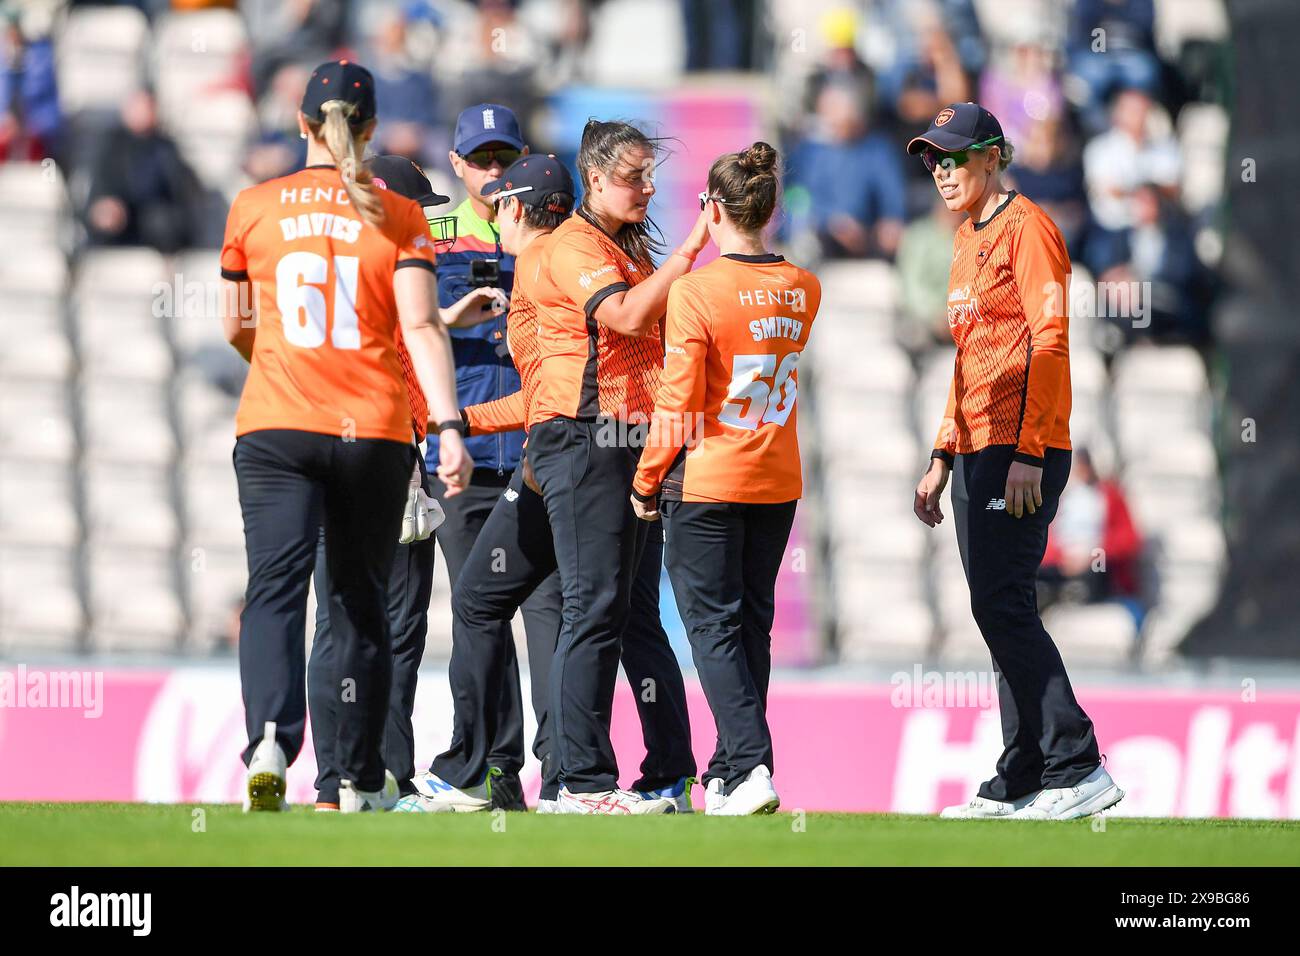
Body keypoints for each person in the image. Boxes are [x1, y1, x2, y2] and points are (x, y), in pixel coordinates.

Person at [399, 155, 695, 815]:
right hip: (567, 449)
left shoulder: (550, 256)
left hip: (586, 450)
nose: (492, 216)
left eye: (499, 203)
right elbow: (541, 396)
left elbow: (584, 370)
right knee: (486, 598)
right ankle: (477, 773)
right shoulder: (561, 257)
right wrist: (459, 420)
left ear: (518, 207)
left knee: (592, 612)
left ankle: (584, 782)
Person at [218, 60, 471, 813]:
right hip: (374, 430)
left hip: (277, 424)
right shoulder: (399, 215)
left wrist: (278, 366)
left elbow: (236, 324)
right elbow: (422, 327)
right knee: (360, 601)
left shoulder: (253, 206)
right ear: (369, 131)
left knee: (274, 590)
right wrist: (450, 427)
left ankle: (269, 736)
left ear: (301, 124)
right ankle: (357, 777)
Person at [907, 102, 1124, 820]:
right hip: (974, 446)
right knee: (998, 608)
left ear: (993, 156)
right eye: (934, 160)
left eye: (955, 157)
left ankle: (1078, 761)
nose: (942, 171)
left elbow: (1050, 342)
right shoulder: (968, 236)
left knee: (999, 603)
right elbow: (968, 358)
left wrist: (1030, 451)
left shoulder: (1029, 228)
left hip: (1019, 447)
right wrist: (942, 450)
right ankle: (1023, 772)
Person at [631, 142, 821, 816]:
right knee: (750, 628)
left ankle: (752, 767)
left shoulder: (697, 290)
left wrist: (646, 478)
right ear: (770, 209)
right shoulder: (805, 284)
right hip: (776, 479)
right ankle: (728, 767)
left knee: (711, 628)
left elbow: (678, 402)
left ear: (712, 209)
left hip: (710, 478)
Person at [527, 119, 705, 814]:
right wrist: (691, 250)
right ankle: (580, 782)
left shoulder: (619, 245)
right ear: (594, 178)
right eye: (634, 176)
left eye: (650, 175)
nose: (648, 188)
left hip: (630, 439)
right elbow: (628, 318)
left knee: (633, 612)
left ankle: (665, 772)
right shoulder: (571, 244)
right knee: (594, 605)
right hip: (586, 438)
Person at [415, 103, 559, 811]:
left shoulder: (554, 235)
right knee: (481, 611)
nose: (494, 172)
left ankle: (565, 770)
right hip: (467, 452)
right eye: (480, 160)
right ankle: (494, 769)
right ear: (456, 165)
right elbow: (395, 325)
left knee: (552, 614)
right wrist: (447, 317)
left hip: (540, 452)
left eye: (505, 158)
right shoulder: (431, 233)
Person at [305, 154, 456, 812]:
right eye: (417, 209)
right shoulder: (398, 269)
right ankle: (383, 773)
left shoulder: (338, 262)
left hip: (318, 448)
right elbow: (408, 343)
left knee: (334, 624)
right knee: (395, 624)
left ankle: (332, 781)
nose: (426, 224)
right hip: (389, 451)